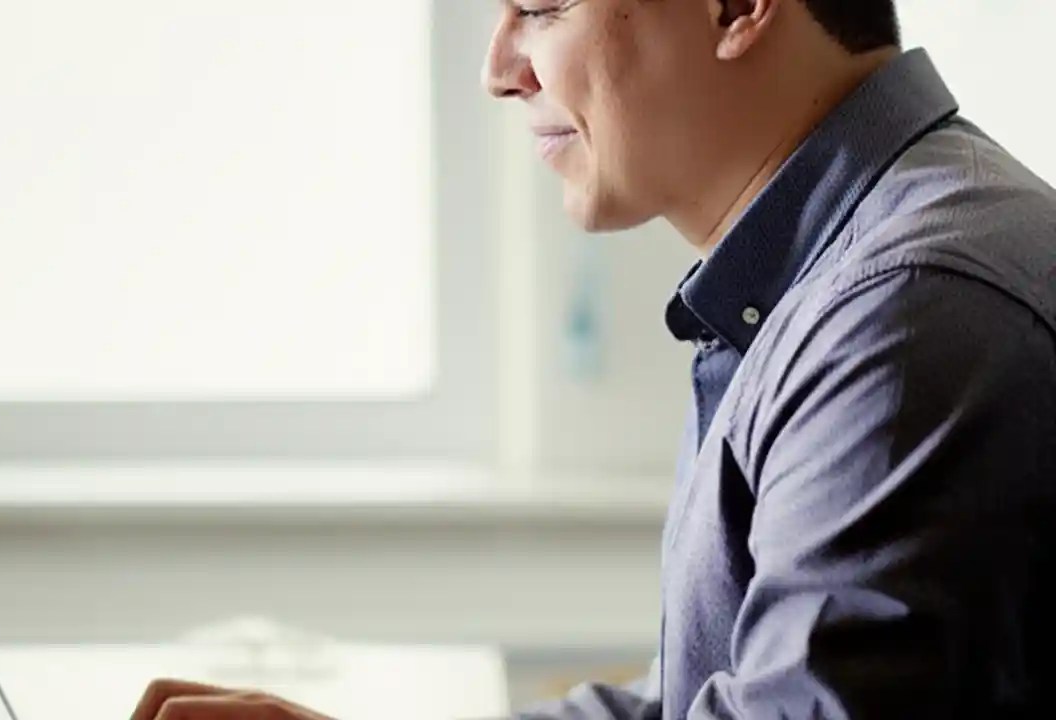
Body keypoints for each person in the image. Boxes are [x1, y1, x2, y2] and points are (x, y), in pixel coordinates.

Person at [128, 0, 1056, 717]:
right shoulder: (842, 277)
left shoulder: (905, 317)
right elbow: (709, 694)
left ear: (735, 7)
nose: (498, 70)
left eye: (539, 8)